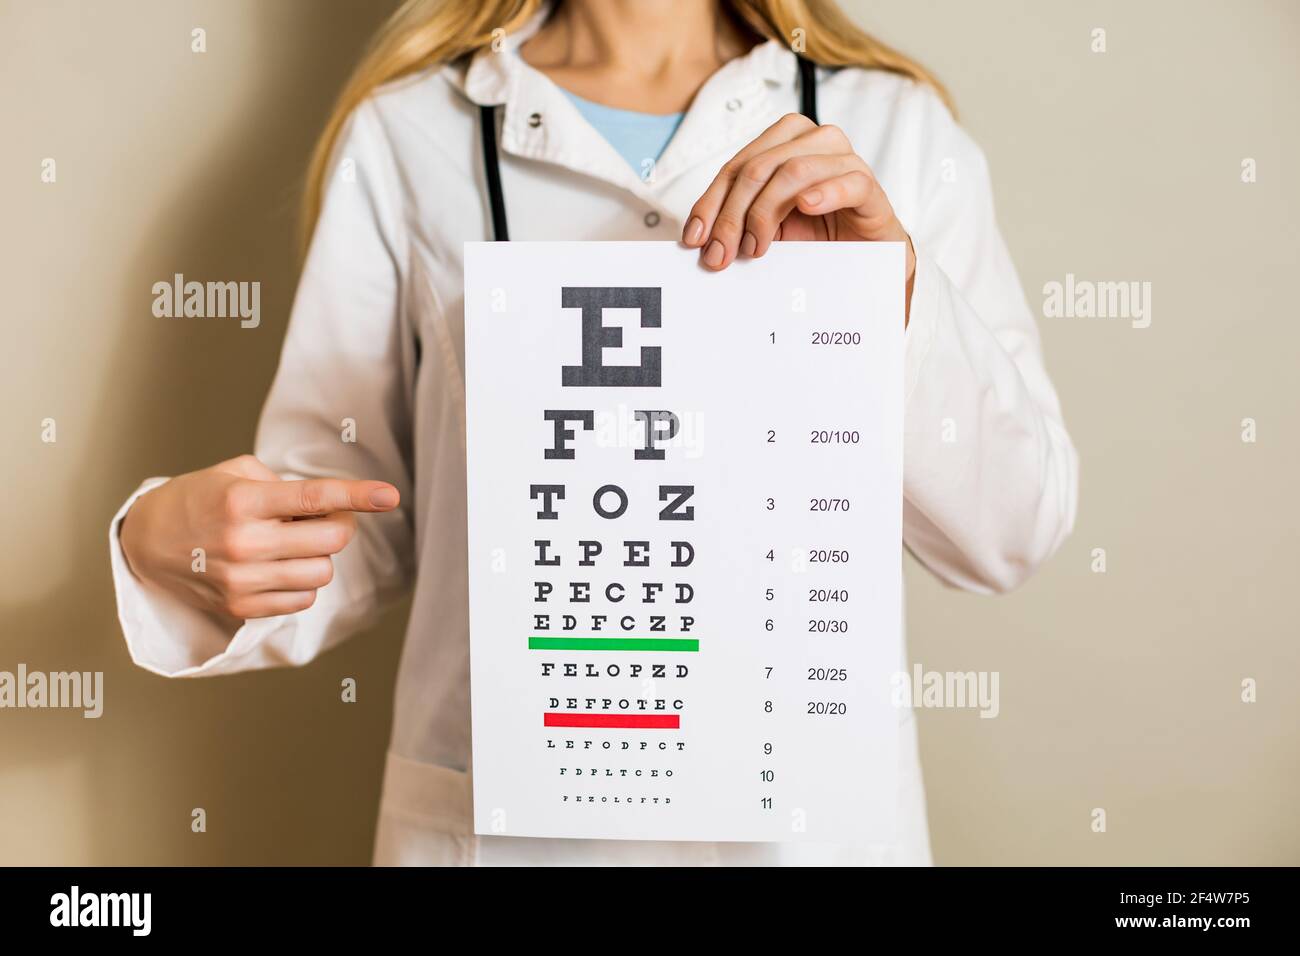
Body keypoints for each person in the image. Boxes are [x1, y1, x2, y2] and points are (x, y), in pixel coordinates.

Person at [111, 0, 1078, 865]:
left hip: (805, 841)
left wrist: (893, 293)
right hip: (504, 834)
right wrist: (173, 543)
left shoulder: (890, 128)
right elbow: (355, 517)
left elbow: (1012, 532)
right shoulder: (410, 133)